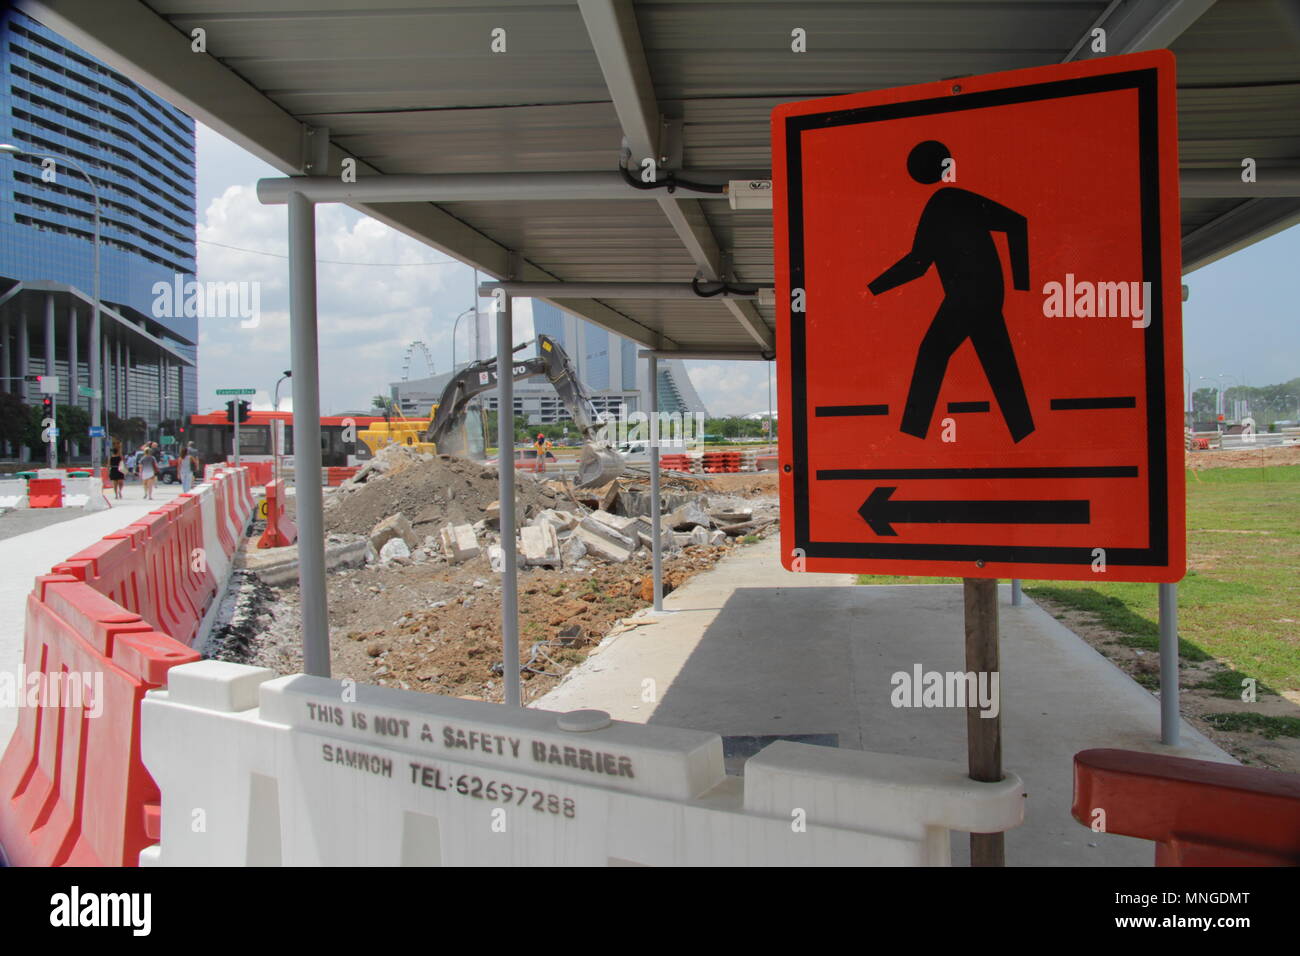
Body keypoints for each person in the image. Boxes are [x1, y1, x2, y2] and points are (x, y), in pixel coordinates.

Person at [868, 139, 1035, 443]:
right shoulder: (947, 201)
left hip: (968, 296)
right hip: (980, 295)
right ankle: (1026, 434)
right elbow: (920, 263)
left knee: (932, 353)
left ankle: (911, 436)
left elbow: (1016, 223)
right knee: (999, 365)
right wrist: (873, 289)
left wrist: (1023, 284)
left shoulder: (946, 201)